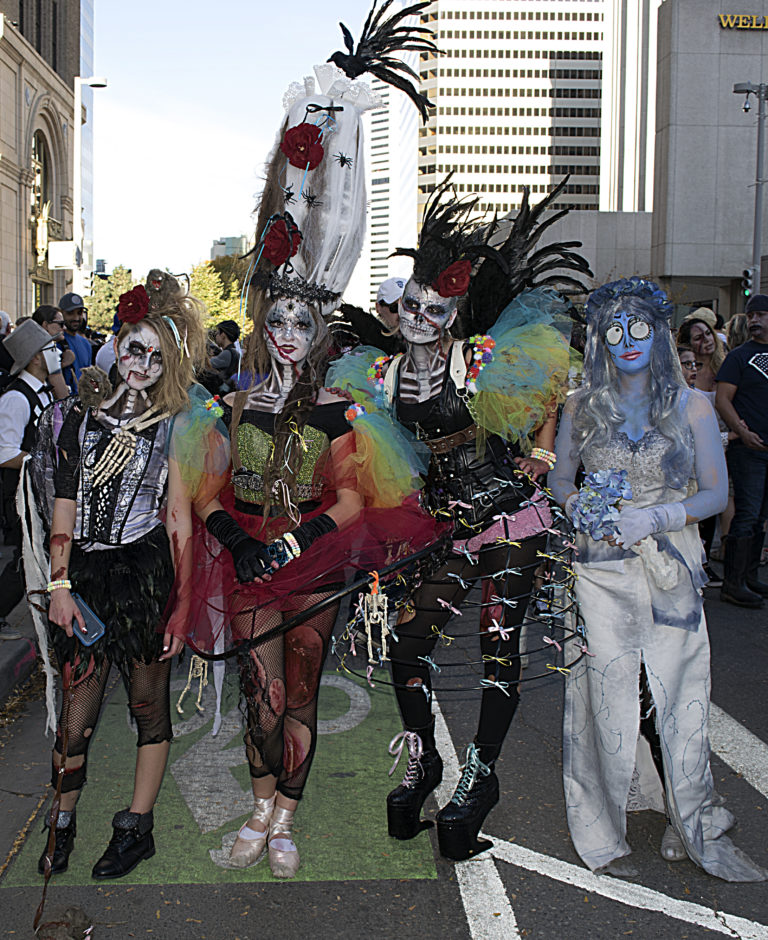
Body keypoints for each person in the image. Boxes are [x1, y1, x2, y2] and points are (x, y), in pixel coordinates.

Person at [185, 45, 439, 880]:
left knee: (299, 689)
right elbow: (210, 483)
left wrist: (293, 545)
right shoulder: (235, 402)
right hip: (247, 562)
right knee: (258, 694)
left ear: (318, 333)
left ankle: (286, 814)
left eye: (303, 324)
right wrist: (232, 529)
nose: (288, 334)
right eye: (278, 322)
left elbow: (353, 503)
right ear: (265, 327)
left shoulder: (339, 410)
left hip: (314, 564)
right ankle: (259, 808)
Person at [330, 176, 591, 861]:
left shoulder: (477, 361)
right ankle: (426, 765)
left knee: (498, 652)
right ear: (400, 307)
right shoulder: (380, 376)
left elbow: (548, 378)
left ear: (455, 312)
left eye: (437, 307)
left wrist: (538, 449)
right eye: (412, 305)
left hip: (510, 518)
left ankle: (478, 779)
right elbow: (372, 449)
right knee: (407, 648)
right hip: (445, 525)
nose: (421, 316)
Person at [550, 276, 766, 882]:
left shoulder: (695, 405)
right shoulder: (580, 406)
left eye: (638, 327)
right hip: (600, 573)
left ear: (658, 333)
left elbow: (717, 493)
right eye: (613, 329)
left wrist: (658, 515)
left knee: (679, 694)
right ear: (599, 338)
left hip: (671, 568)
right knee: (608, 692)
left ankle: (686, 812)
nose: (626, 341)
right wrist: (580, 508)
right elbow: (560, 481)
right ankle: (605, 813)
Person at [31, 278, 215, 880]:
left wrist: (185, 606)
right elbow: (61, 506)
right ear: (115, 343)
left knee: (147, 705)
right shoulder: (74, 418)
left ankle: (137, 828)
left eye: (157, 356)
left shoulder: (175, 425)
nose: (143, 364)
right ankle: (62, 821)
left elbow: (180, 519)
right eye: (135, 349)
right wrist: (59, 586)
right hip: (83, 576)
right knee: (76, 714)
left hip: (144, 577)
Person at [0, 320, 56, 637]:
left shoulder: (42, 393)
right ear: (36, 357)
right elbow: (3, 452)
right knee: (26, 559)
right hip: (22, 495)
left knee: (37, 556)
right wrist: (43, 461)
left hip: (39, 492)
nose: (57, 353)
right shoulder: (16, 398)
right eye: (50, 348)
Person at [715, 292, 768, 607]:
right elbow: (723, 399)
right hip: (749, 449)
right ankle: (732, 583)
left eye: (762, 315)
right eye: (752, 316)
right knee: (747, 512)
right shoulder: (738, 357)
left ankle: (749, 577)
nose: (756, 321)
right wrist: (741, 432)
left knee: (761, 514)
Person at [31, 305, 73, 400]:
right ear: (45, 325)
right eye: (60, 324)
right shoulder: (45, 350)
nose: (65, 328)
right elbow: (63, 396)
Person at [58, 292, 93, 392]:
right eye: (70, 313)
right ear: (61, 313)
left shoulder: (86, 344)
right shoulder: (56, 342)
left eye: (79, 313)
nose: (76, 318)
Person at [210, 320, 242, 384]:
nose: (216, 336)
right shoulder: (234, 351)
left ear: (223, 335)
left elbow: (207, 364)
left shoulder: (227, 353)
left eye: (217, 333)